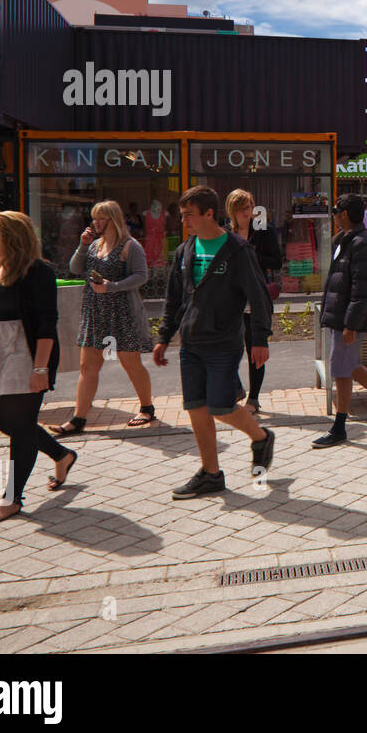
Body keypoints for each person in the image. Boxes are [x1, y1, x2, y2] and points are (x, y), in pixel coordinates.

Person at [153, 186, 275, 500]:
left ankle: (260, 437)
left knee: (220, 406)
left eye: (189, 215)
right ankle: (211, 474)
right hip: (191, 342)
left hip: (224, 341)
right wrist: (164, 337)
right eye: (181, 215)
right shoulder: (185, 250)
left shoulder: (236, 249)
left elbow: (259, 297)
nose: (184, 221)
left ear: (209, 213)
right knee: (196, 407)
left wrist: (259, 338)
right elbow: (174, 298)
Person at [0, 211, 76, 527]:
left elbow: (47, 322)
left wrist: (40, 367)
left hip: (26, 354)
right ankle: (62, 456)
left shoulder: (38, 272)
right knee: (8, 423)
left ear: (13, 238)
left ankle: (12, 498)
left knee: (21, 424)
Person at [53, 200, 156, 436]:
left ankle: (147, 407)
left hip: (122, 312)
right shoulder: (94, 245)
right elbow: (75, 268)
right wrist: (82, 245)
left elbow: (141, 276)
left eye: (100, 218)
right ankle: (78, 419)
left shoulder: (130, 246)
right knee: (87, 366)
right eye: (94, 218)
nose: (96, 223)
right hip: (95, 311)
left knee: (130, 362)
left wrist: (112, 286)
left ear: (113, 220)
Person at [312, 194, 367, 447]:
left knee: (340, 369)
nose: (333, 215)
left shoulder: (363, 243)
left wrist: (351, 324)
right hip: (340, 315)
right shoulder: (345, 239)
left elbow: (364, 289)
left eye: (336, 211)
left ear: (346, 214)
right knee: (350, 365)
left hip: (346, 319)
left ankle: (339, 428)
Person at [226, 189, 283, 415]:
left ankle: (254, 398)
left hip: (255, 296)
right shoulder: (225, 231)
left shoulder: (264, 231)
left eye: (249, 207)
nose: (246, 212)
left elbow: (277, 261)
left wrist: (250, 255)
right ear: (232, 211)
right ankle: (237, 387)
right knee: (226, 347)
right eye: (241, 208)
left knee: (255, 347)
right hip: (230, 296)